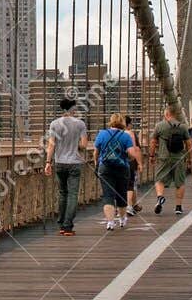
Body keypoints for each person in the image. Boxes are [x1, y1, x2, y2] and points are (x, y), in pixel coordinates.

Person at [44, 97, 88, 236]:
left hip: (60, 163)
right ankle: (68, 226)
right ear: (72, 108)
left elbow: (51, 145)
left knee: (63, 193)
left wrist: (48, 162)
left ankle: (61, 224)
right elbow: (84, 145)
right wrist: (75, 145)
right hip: (74, 163)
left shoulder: (54, 124)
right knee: (73, 194)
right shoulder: (80, 124)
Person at [93, 112, 138, 230]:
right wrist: (128, 158)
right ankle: (122, 219)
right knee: (121, 195)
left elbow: (96, 152)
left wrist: (97, 163)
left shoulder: (102, 134)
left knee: (108, 196)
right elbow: (132, 154)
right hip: (122, 168)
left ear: (111, 121)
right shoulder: (125, 136)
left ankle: (110, 222)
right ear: (122, 122)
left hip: (105, 168)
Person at [151, 106, 189, 216]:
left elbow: (153, 141)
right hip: (178, 158)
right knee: (180, 182)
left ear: (167, 114)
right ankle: (178, 207)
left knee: (159, 179)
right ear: (175, 114)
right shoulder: (183, 127)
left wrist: (151, 155)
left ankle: (160, 197)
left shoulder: (159, 126)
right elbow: (189, 143)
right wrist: (189, 158)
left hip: (164, 157)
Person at [124, 113, 143, 215]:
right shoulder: (130, 134)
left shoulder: (113, 133)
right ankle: (129, 206)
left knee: (119, 185)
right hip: (130, 162)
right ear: (128, 124)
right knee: (131, 184)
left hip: (116, 162)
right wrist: (140, 163)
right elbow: (136, 149)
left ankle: (129, 205)